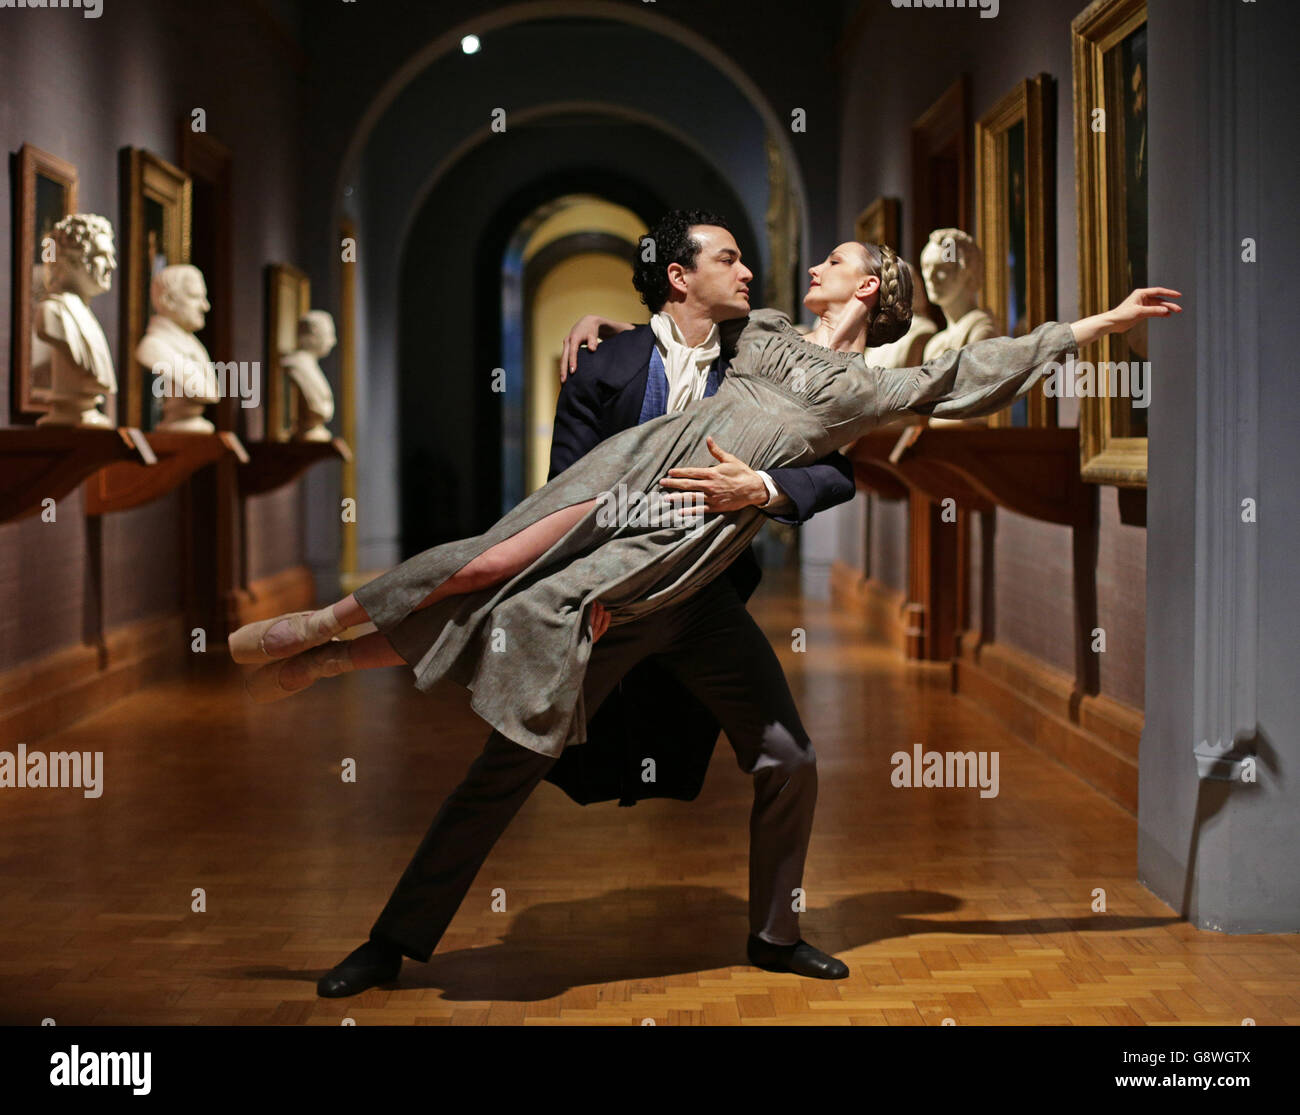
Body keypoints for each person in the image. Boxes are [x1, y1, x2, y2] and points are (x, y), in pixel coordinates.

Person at [228, 232, 1180, 995]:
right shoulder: (759, 330)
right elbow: (683, 307)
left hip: (701, 584)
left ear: (868, 291)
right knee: (501, 687)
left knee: (790, 758)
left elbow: (985, 372)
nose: (812, 267)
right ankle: (387, 919)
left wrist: (1102, 321)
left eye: (836, 262)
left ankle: (775, 935)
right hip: (629, 515)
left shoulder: (871, 389)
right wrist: (609, 315)